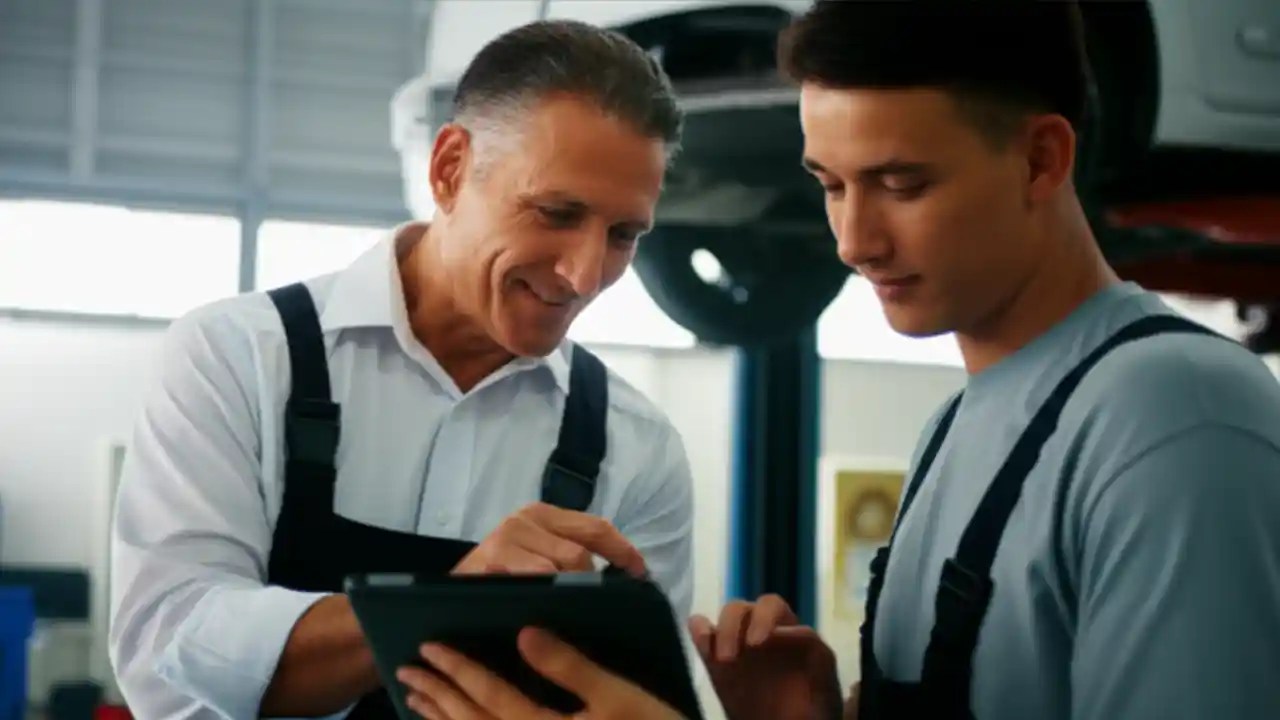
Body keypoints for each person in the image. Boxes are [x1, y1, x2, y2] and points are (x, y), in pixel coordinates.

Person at [399, 2, 1280, 719]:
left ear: (1042, 159)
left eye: (903, 185)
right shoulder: (963, 423)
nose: (854, 241)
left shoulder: (1175, 416)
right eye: (830, 185)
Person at [108, 19, 699, 720]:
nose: (584, 273)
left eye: (624, 234)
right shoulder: (236, 358)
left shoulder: (638, 451)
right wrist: (453, 605)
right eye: (555, 212)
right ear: (450, 167)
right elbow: (168, 657)